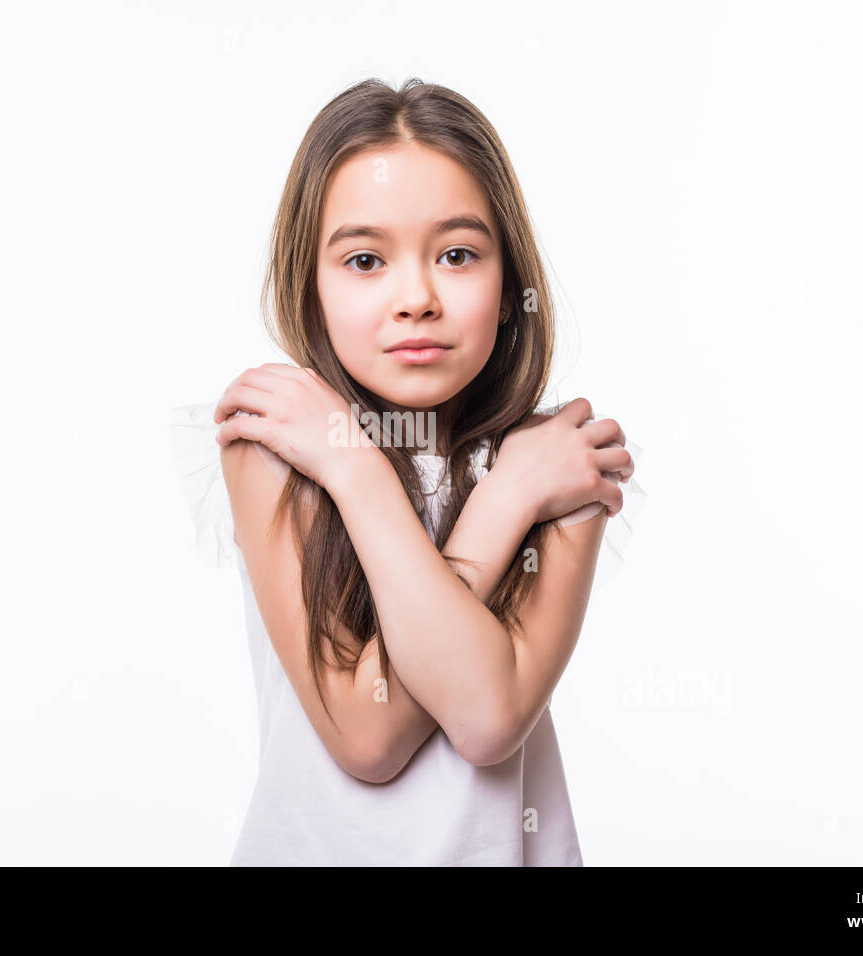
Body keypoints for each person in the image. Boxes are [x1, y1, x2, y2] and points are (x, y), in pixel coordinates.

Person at [170, 77, 646, 865]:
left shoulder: (557, 465)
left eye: (457, 255)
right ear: (310, 285)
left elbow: (486, 716)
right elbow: (370, 733)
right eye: (364, 260)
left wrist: (517, 484)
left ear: (508, 290)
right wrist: (362, 467)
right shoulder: (279, 447)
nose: (416, 297)